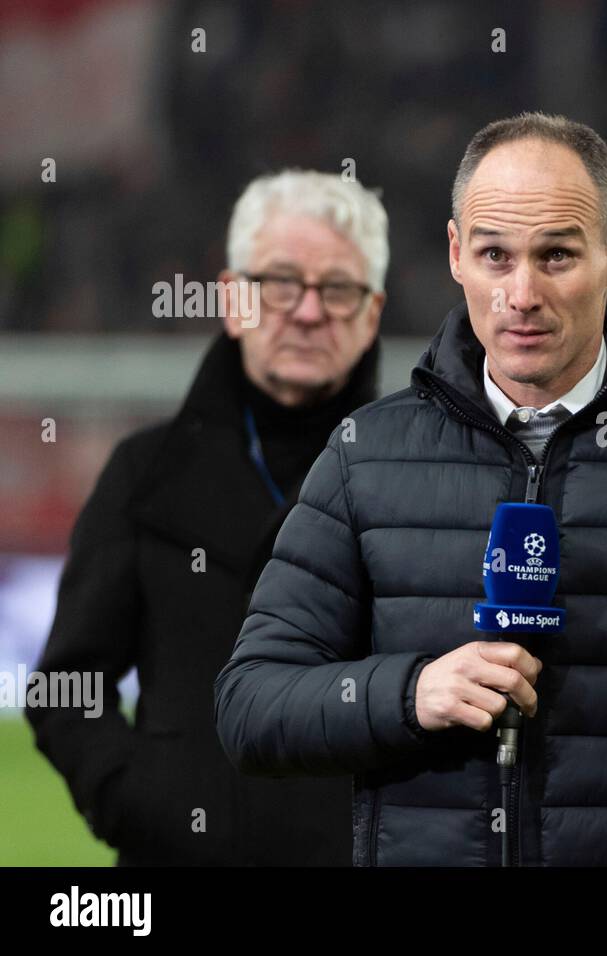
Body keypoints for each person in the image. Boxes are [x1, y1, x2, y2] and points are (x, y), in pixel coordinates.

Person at [213, 112, 607, 866]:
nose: (521, 292)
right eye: (495, 255)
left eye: (556, 255)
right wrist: (412, 692)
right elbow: (251, 707)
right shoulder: (365, 455)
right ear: (457, 254)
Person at [27, 169, 387, 865]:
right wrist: (137, 801)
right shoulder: (144, 471)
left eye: (337, 289)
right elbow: (67, 686)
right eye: (280, 282)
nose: (307, 311)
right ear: (232, 299)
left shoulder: (418, 479)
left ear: (371, 313)